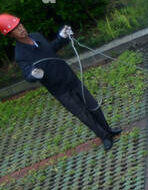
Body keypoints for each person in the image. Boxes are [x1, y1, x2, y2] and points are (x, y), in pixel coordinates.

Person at [1, 14, 121, 151]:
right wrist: (34, 75)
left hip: (69, 77)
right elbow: (27, 75)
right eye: (16, 29)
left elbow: (51, 49)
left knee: (93, 105)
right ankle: (104, 136)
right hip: (59, 89)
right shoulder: (20, 54)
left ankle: (108, 129)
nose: (21, 29)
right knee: (83, 113)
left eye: (20, 25)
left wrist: (62, 38)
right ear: (11, 35)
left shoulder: (36, 36)